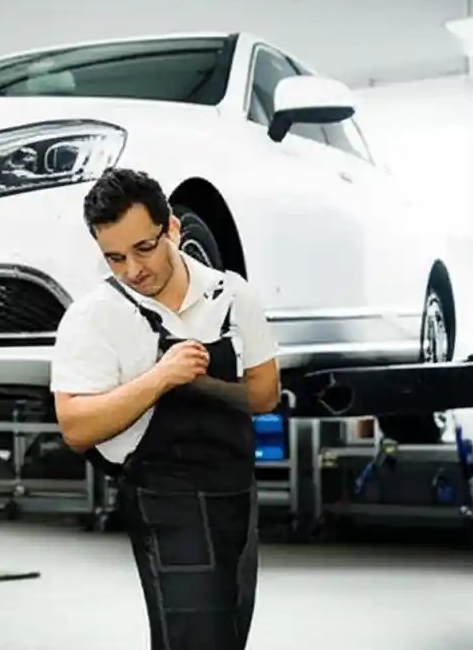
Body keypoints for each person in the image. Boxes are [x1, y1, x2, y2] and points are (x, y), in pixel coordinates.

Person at [50, 167, 281, 650]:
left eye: (144, 248)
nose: (133, 269)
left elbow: (265, 395)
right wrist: (159, 379)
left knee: (230, 634)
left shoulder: (234, 298)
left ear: (172, 228)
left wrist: (206, 385)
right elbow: (75, 427)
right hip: (164, 498)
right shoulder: (94, 317)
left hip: (237, 492)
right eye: (114, 257)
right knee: (191, 638)